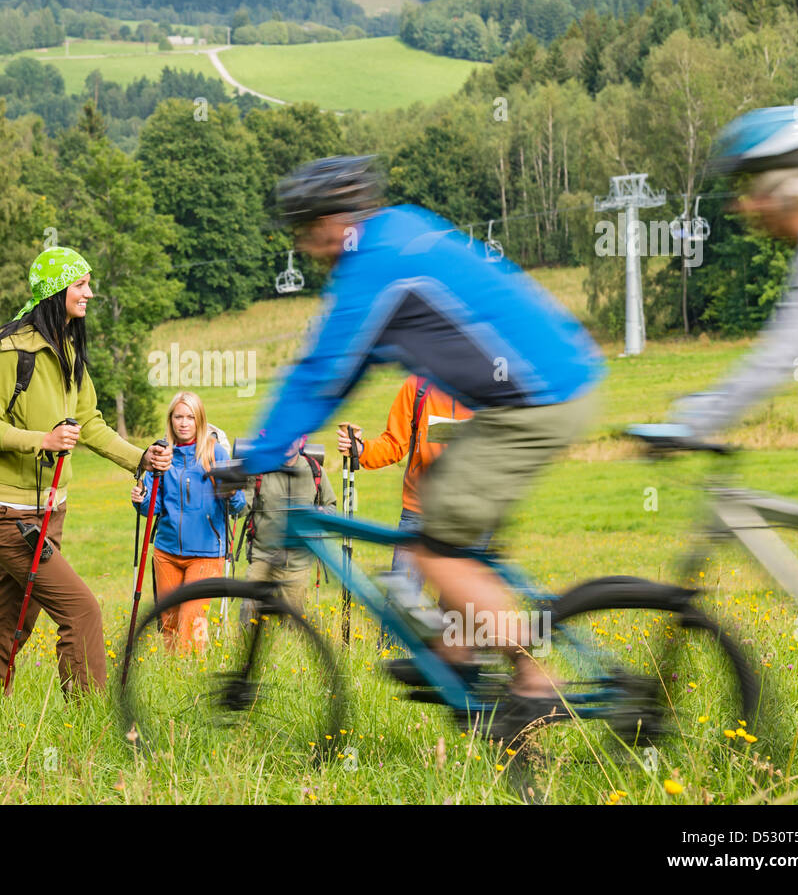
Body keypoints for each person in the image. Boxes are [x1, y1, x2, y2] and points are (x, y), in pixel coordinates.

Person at [233, 155, 605, 740]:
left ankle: (535, 684)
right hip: (550, 383)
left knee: (433, 551)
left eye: (306, 231)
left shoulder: (373, 264)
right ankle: (451, 653)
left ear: (334, 220)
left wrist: (256, 453)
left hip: (540, 396)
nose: (306, 247)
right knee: (446, 524)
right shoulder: (400, 229)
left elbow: (323, 373)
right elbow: (352, 368)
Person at [665, 104, 798, 758]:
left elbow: (782, 355)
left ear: (789, 186)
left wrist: (693, 420)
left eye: (753, 188)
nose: (746, 208)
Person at [0, 246, 171, 695]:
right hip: (8, 514)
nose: (90, 293)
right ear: (56, 290)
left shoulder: (70, 350)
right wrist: (42, 440)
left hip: (48, 511)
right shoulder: (11, 351)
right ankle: (88, 713)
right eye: (80, 285)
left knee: (11, 619)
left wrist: (140, 458)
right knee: (82, 611)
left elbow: (91, 424)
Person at [129, 391, 246, 654]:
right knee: (169, 623)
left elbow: (238, 507)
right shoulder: (161, 455)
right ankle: (174, 679)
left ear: (200, 420)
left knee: (191, 622)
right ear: (170, 420)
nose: (183, 423)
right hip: (166, 552)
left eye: (190, 417)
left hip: (205, 554)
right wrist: (140, 499)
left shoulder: (216, 453)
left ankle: (191, 678)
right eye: (178, 417)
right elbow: (152, 509)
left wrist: (232, 492)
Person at [336, 375, 474, 575]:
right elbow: (393, 443)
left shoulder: (485, 383)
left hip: (471, 515)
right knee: (400, 596)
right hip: (418, 511)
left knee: (461, 603)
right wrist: (361, 449)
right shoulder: (418, 385)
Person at [237, 435, 336, 618]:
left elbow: (331, 507)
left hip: (298, 565)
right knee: (249, 621)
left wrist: (321, 514)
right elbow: (241, 509)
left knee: (293, 627)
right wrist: (232, 494)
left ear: (301, 441)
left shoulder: (315, 471)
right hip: (262, 559)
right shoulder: (260, 471)